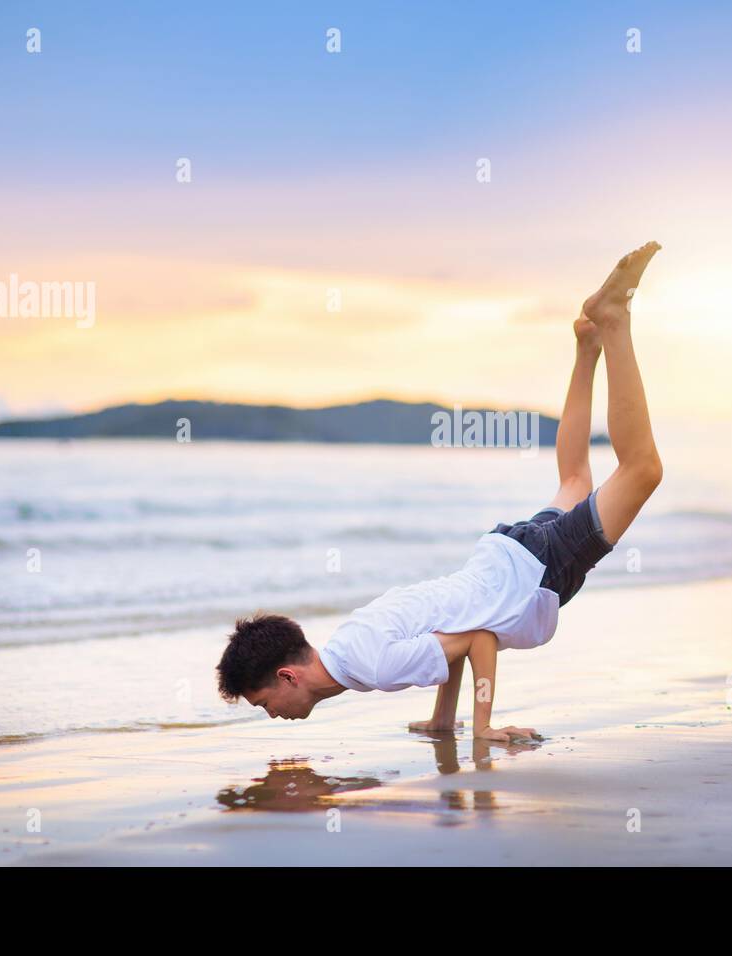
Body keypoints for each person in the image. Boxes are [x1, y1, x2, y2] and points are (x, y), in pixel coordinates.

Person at [216, 242, 664, 742]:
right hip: (504, 558)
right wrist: (440, 721)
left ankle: (613, 323)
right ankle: (587, 347)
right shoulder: (350, 646)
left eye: (263, 704)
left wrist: (482, 727)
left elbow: (476, 639)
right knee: (575, 481)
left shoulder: (370, 665)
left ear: (287, 676)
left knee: (641, 470)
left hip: (528, 574)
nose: (271, 714)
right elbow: (443, 643)